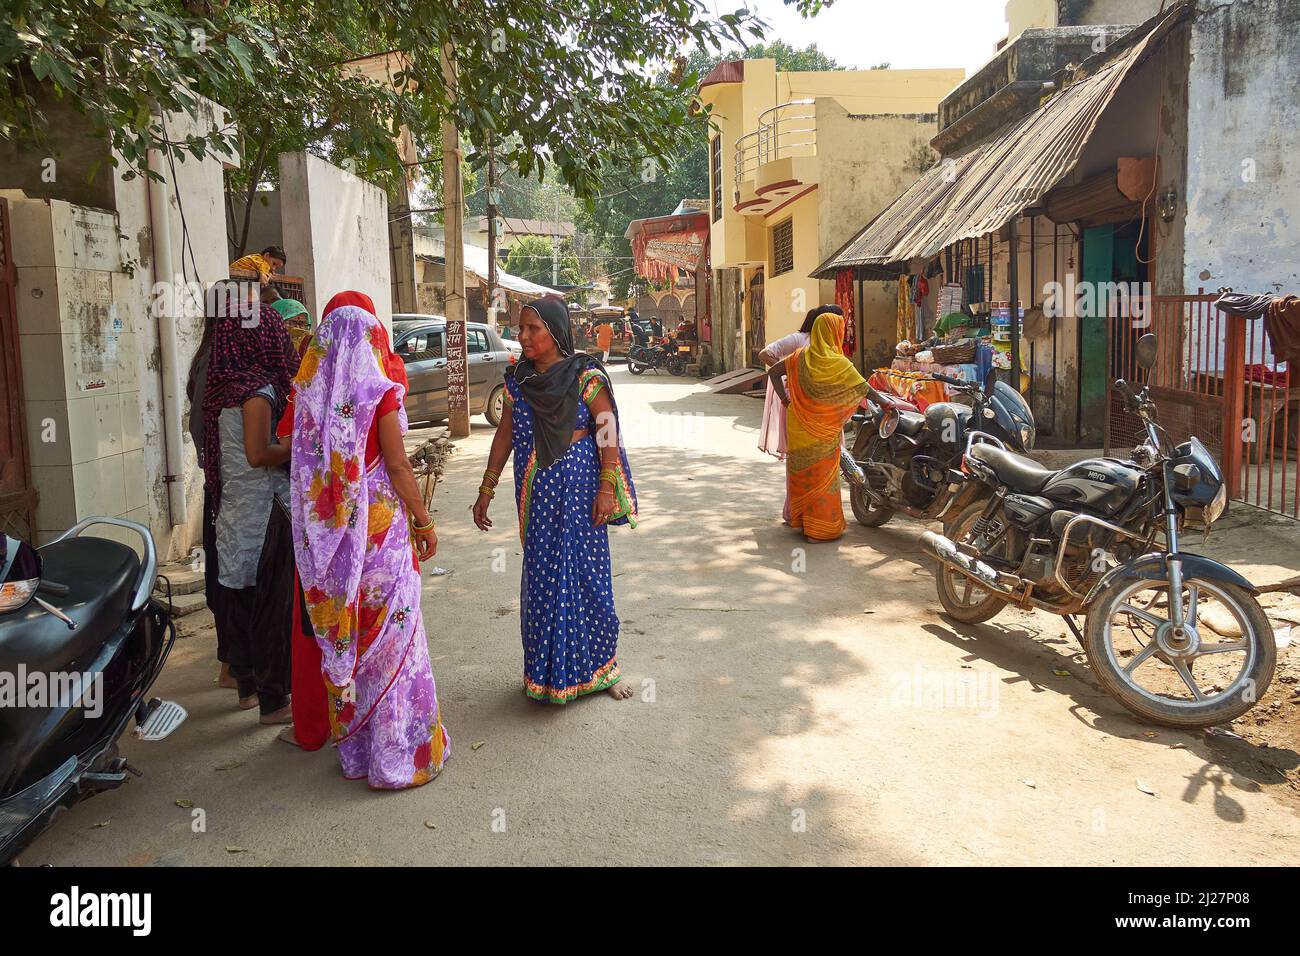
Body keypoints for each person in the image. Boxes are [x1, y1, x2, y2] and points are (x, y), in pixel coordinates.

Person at [288, 296, 450, 787]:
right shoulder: (380, 392)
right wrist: (423, 520)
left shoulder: (309, 399)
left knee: (358, 640)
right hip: (382, 536)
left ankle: (359, 753)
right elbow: (398, 466)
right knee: (396, 640)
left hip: (337, 547)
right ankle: (401, 754)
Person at [472, 296, 638, 703]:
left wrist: (605, 486)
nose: (522, 336)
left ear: (555, 331)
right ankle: (547, 675)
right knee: (544, 576)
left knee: (586, 573)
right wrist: (486, 488)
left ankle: (602, 669)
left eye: (533, 328)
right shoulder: (518, 380)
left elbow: (606, 428)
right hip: (536, 489)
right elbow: (506, 434)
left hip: (581, 486)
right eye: (520, 328)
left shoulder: (584, 376)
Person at [200, 286, 297, 722]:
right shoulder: (257, 392)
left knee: (238, 596)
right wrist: (299, 444)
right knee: (269, 605)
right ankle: (274, 700)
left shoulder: (220, 387)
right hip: (263, 512)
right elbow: (260, 454)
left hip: (233, 512)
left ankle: (246, 691)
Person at [767, 306, 868, 542]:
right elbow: (864, 389)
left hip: (798, 423)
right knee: (823, 476)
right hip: (824, 428)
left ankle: (801, 522)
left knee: (801, 472)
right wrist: (886, 404)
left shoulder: (800, 357)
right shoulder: (840, 363)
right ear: (835, 332)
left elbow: (772, 372)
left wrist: (785, 399)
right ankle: (820, 529)